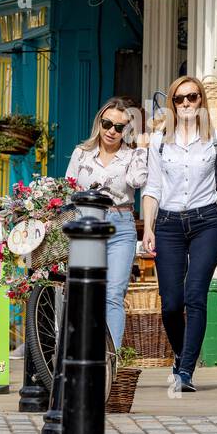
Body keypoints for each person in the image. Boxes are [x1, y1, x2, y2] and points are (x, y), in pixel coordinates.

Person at [142, 76, 217, 393]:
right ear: (172, 103)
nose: (186, 103)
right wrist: (148, 227)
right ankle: (181, 355)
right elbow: (152, 188)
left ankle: (185, 371)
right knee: (171, 303)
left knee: (195, 296)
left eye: (193, 97)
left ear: (202, 100)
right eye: (180, 99)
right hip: (168, 224)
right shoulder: (159, 141)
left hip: (206, 223)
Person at [65, 97, 149, 350]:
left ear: (127, 131)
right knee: (85, 293)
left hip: (120, 225)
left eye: (120, 127)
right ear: (99, 123)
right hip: (85, 224)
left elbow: (138, 180)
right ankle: (81, 352)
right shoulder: (82, 153)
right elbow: (67, 188)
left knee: (113, 294)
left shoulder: (132, 155)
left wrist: (142, 149)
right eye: (107, 123)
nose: (112, 131)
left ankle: (110, 359)